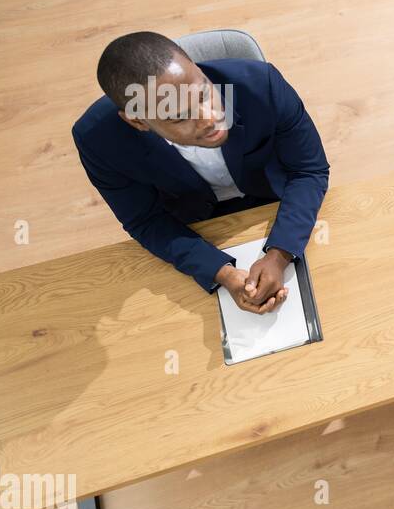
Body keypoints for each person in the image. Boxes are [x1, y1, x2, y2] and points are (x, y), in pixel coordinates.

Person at [73, 32, 329, 314]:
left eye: (204, 93)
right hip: (193, 222)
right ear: (138, 121)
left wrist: (279, 255)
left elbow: (308, 170)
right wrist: (222, 273)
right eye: (180, 117)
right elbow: (145, 220)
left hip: (273, 201)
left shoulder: (261, 84)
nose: (210, 119)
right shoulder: (97, 140)